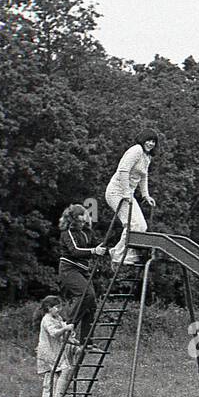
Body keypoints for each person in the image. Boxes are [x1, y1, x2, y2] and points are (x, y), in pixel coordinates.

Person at [103, 132, 159, 267]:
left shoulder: (147, 156)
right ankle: (118, 254)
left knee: (142, 226)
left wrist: (146, 195)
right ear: (142, 140)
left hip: (128, 193)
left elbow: (144, 176)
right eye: (148, 140)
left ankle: (122, 252)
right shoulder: (136, 150)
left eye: (153, 142)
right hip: (117, 192)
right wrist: (126, 192)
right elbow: (123, 171)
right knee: (132, 225)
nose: (150, 144)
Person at [56, 203, 104, 349]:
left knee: (91, 304)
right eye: (80, 220)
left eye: (84, 221)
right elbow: (75, 251)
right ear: (73, 219)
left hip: (82, 271)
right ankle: (69, 326)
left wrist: (111, 249)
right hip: (69, 269)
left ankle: (86, 341)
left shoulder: (86, 232)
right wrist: (94, 251)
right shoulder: (67, 232)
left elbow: (97, 246)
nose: (83, 223)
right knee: (86, 294)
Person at [32, 295, 75, 397]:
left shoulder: (57, 318)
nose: (59, 309)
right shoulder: (47, 319)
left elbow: (64, 335)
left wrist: (71, 335)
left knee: (67, 393)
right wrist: (65, 328)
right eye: (56, 306)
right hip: (49, 355)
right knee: (64, 372)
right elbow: (55, 333)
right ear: (49, 308)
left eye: (60, 306)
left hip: (58, 354)